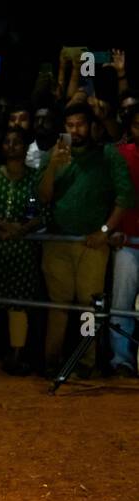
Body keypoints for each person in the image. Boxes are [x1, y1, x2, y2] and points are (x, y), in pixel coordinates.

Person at [37, 103, 134, 377]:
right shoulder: (55, 156)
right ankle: (51, 361)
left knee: (87, 307)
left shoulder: (108, 156)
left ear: (91, 126)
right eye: (70, 125)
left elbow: (124, 196)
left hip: (92, 244)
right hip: (57, 240)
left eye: (80, 124)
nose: (75, 130)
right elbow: (43, 196)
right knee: (58, 306)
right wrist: (53, 167)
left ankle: (87, 362)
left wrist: (104, 231)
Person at [0, 127, 41, 375]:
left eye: (17, 142)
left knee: (18, 303)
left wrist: (19, 230)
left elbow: (43, 214)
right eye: (7, 141)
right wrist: (7, 226)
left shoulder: (35, 178)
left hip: (21, 249)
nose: (11, 146)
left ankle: (16, 356)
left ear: (24, 147)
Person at [109, 105, 139, 376]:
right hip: (127, 242)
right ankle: (121, 360)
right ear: (130, 129)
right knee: (121, 304)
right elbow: (111, 195)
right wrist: (112, 228)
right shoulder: (121, 155)